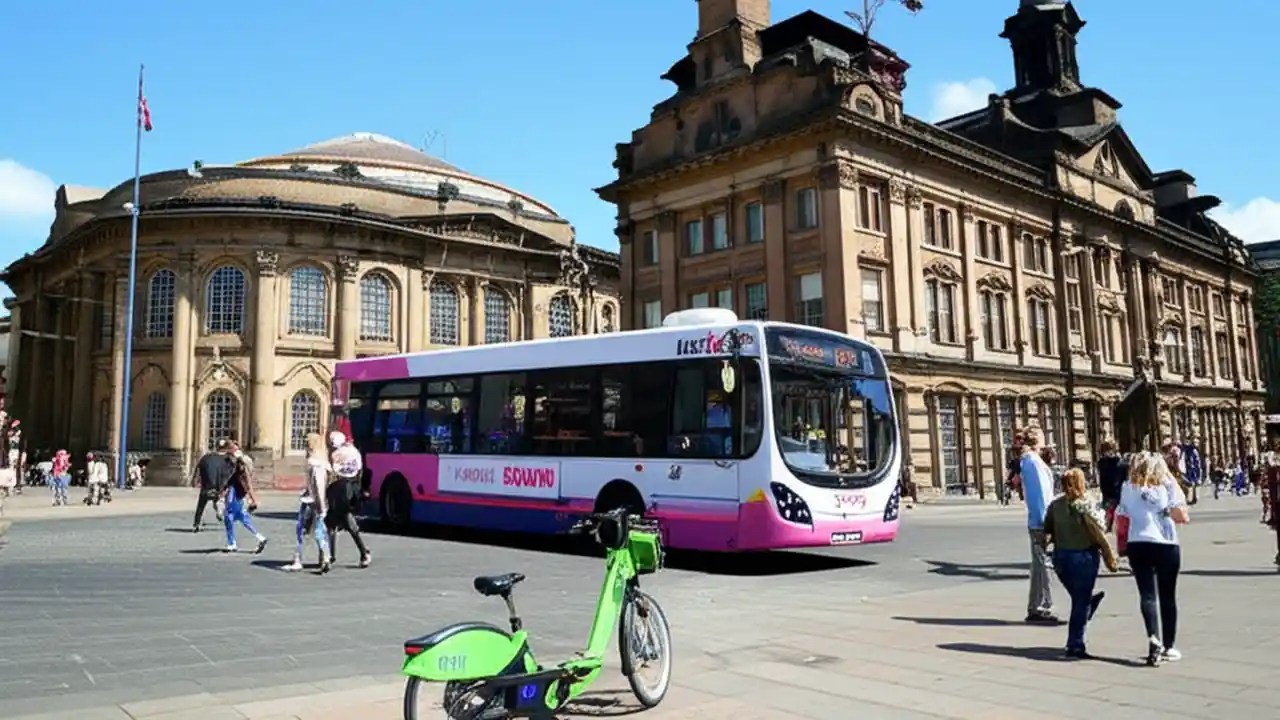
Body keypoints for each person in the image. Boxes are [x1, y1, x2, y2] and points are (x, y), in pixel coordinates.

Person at [1117, 451, 1188, 666]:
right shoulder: (1167, 483)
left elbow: (1122, 517)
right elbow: (1181, 515)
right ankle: (1169, 646)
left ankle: (1153, 637)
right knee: (1168, 596)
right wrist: (1166, 511)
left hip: (1137, 543)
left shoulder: (1128, 486)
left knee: (1147, 595)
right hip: (1165, 544)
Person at [1043, 467, 1117, 658]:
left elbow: (1047, 530)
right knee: (1080, 602)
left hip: (1061, 558)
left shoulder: (1055, 505)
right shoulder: (1087, 504)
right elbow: (1100, 530)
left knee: (1078, 599)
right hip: (1084, 557)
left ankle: (1088, 607)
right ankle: (1075, 644)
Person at [1019, 427, 1058, 624]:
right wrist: (1047, 523)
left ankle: (1036, 606)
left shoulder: (1032, 460)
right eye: (1042, 436)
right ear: (1036, 439)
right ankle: (1042, 607)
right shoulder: (1032, 462)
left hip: (1039, 520)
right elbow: (1039, 496)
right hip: (1040, 521)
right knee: (1043, 566)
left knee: (1038, 565)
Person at [288, 433, 332, 573]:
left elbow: (318, 487)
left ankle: (298, 559)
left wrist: (321, 507)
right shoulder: (324, 463)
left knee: (302, 530)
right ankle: (325, 557)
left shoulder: (315, 464)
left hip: (311, 502)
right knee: (319, 531)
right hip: (319, 501)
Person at [326, 431, 371, 568]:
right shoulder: (354, 451)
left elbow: (332, 472)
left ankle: (332, 555)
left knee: (331, 524)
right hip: (351, 490)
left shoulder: (334, 454)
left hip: (338, 490)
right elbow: (360, 470)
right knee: (348, 522)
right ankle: (363, 552)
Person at [221, 451, 267, 554]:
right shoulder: (239, 472)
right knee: (245, 521)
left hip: (235, 500)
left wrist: (254, 500)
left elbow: (248, 488)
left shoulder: (241, 474)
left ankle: (231, 543)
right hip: (239, 500)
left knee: (229, 518)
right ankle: (260, 538)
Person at [192, 441, 231, 532]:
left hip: (207, 487)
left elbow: (199, 468)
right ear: (226, 448)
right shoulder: (228, 459)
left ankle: (196, 523)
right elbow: (228, 474)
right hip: (220, 488)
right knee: (226, 502)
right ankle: (222, 513)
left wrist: (196, 480)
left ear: (216, 446)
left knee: (201, 506)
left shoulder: (206, 457)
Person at [1096, 440, 1124, 532]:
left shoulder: (1120, 462)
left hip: (1118, 492)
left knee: (1114, 515)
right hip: (1107, 493)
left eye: (1109, 449)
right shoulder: (1102, 462)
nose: (1107, 452)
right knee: (1107, 516)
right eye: (1105, 450)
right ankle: (1107, 529)